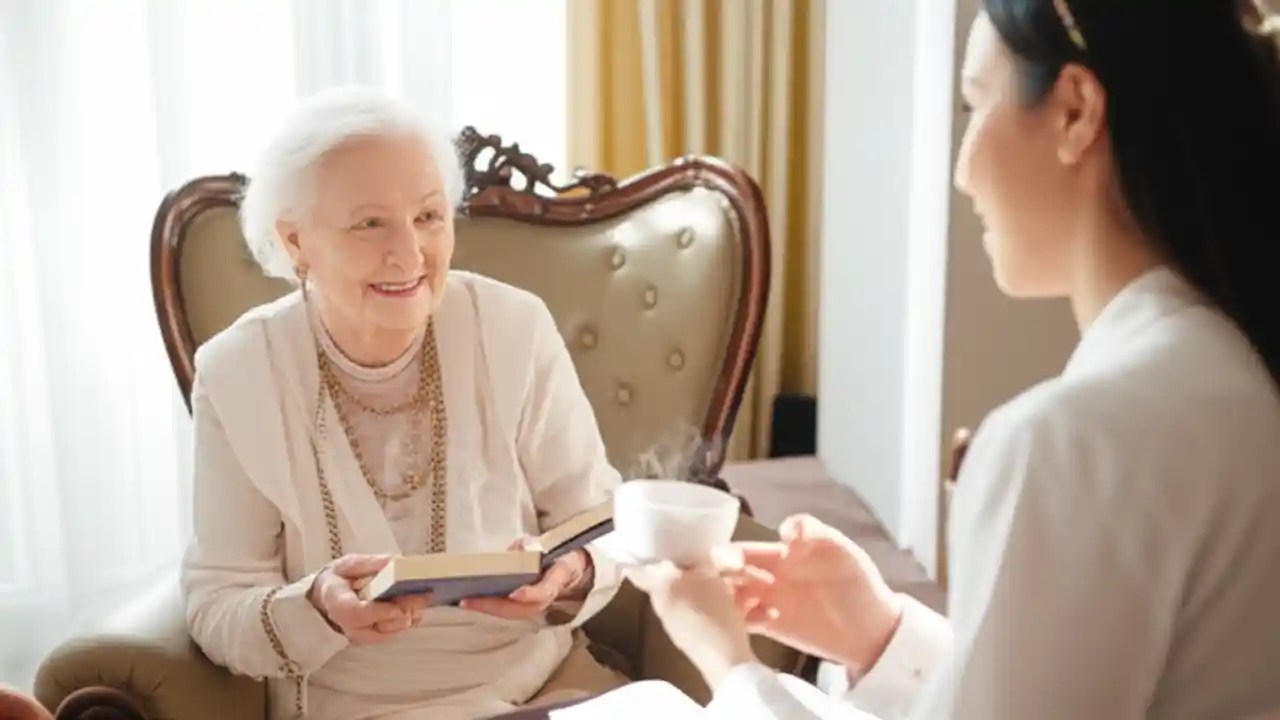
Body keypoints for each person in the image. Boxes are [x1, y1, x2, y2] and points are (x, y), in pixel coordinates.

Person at [628, 1, 1280, 718]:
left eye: (976, 105)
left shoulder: (1073, 439)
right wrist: (882, 635)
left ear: (1074, 112)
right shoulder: (1225, 368)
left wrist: (727, 664)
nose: (963, 173)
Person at [181, 87, 627, 719]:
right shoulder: (239, 372)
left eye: (429, 216)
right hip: (355, 709)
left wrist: (570, 571)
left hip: (542, 689)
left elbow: (603, 521)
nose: (411, 254)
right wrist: (315, 607)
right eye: (370, 224)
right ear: (296, 243)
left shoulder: (515, 327)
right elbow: (218, 603)